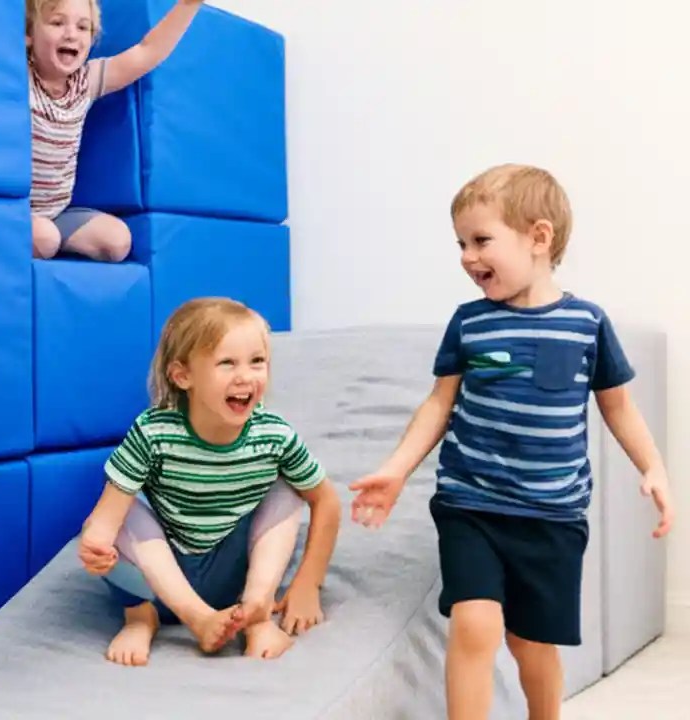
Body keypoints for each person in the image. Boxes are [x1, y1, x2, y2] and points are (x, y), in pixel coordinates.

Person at [349, 164, 676, 720]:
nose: (467, 257)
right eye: (460, 243)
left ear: (539, 238)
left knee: (530, 642)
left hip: (551, 515)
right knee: (475, 623)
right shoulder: (470, 324)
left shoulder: (586, 324)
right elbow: (438, 404)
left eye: (481, 240)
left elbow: (618, 406)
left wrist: (654, 467)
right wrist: (397, 469)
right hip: (470, 505)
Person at [77, 297, 342, 666]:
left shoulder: (274, 436)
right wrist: (96, 548)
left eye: (257, 361)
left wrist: (307, 584)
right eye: (226, 363)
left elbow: (326, 502)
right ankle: (147, 619)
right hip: (157, 585)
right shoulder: (154, 431)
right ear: (183, 376)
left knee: (288, 490)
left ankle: (256, 614)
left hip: (231, 576)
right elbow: (103, 522)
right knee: (120, 513)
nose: (246, 376)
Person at [25, 0, 203, 261]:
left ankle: (47, 242)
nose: (71, 34)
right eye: (57, 23)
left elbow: (147, 52)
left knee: (117, 242)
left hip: (57, 212)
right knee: (44, 238)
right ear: (28, 35)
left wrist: (189, 5)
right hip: (20, 211)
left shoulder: (85, 83)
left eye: (83, 27)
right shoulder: (21, 79)